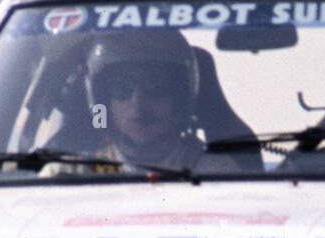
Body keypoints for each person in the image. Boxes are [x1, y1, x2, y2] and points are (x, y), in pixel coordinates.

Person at [42, 29, 205, 175]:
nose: (138, 101)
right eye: (122, 89)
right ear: (104, 103)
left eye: (156, 88)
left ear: (178, 102)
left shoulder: (216, 171)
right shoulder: (67, 175)